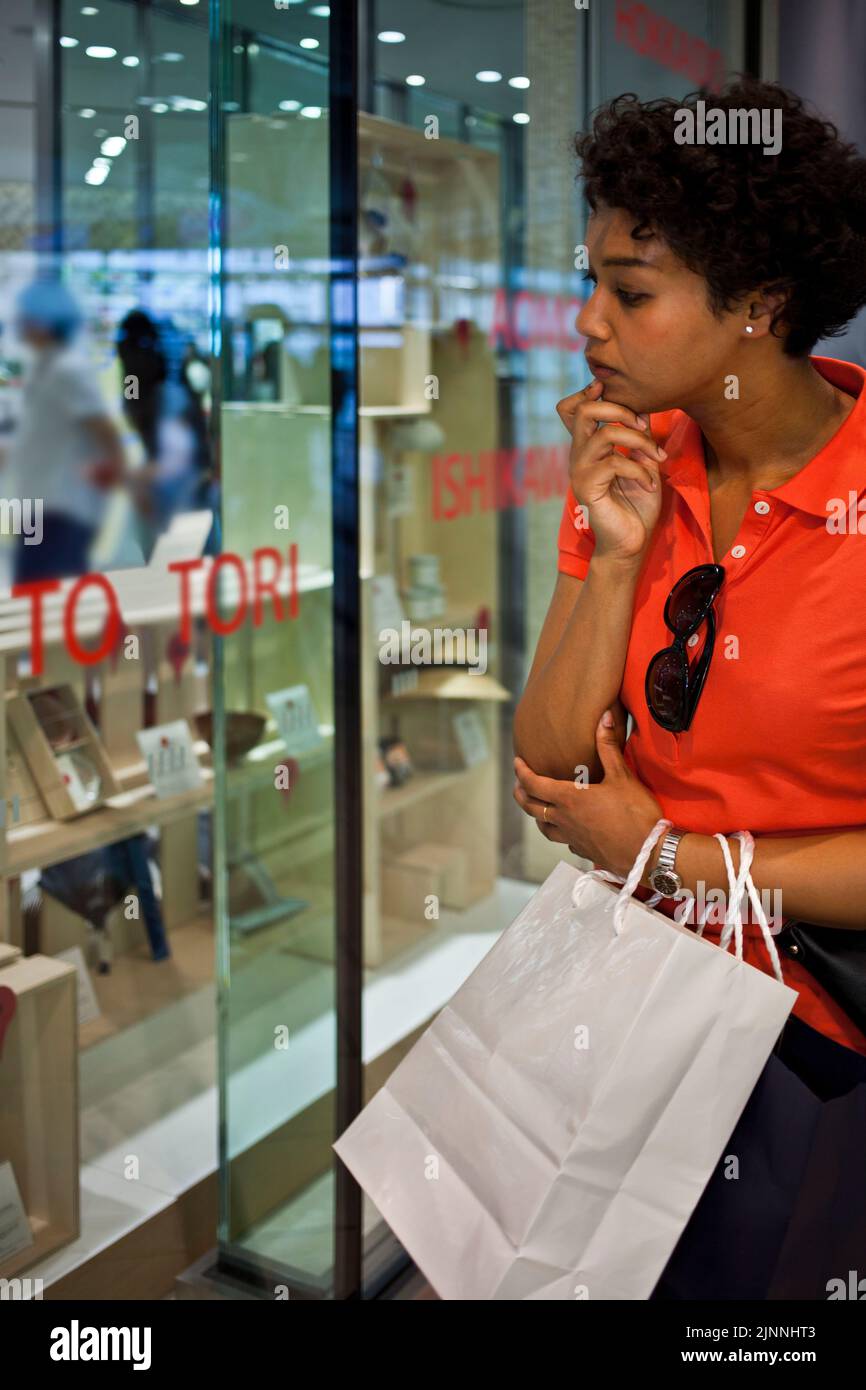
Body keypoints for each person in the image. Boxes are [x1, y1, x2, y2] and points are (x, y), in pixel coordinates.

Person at [513, 78, 866, 1299]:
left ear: (758, 307)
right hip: (624, 995)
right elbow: (549, 767)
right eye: (591, 280)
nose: (585, 325)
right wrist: (613, 556)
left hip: (802, 1045)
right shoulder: (633, 461)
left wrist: (666, 852)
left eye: (628, 291)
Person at [3, 279, 125, 583]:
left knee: (49, 597)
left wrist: (112, 478)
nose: (20, 324)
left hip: (61, 510)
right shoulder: (43, 368)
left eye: (26, 317)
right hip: (36, 505)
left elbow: (104, 429)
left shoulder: (68, 370)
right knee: (31, 591)